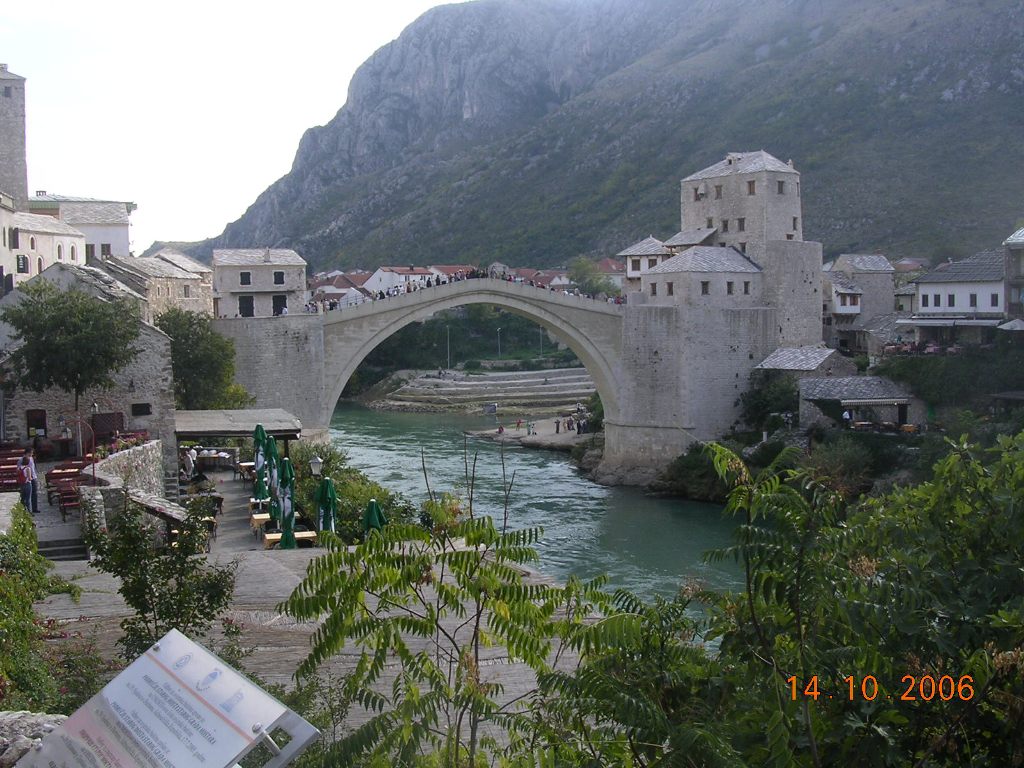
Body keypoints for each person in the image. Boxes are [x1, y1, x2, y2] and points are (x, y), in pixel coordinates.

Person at [17, 447, 38, 515]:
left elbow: (33, 468)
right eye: (31, 453)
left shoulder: (31, 458)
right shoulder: (21, 460)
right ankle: (26, 510)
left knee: (34, 493)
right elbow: (19, 470)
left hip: (33, 477)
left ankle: (35, 508)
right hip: (26, 479)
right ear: (27, 453)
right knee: (26, 496)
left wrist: (34, 475)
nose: (32, 454)